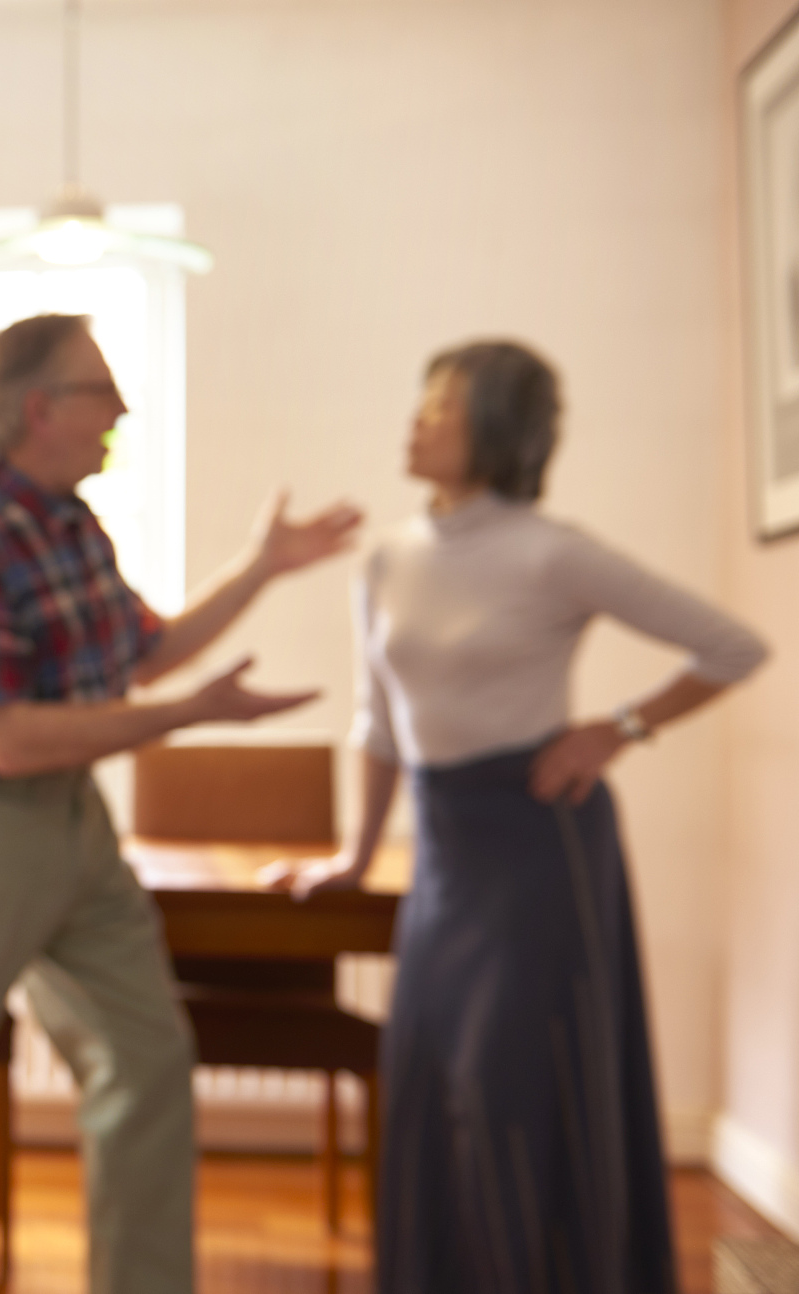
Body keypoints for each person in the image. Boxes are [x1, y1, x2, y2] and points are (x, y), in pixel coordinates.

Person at [0, 312, 363, 1293]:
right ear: (38, 408)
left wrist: (260, 567)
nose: (121, 409)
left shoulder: (69, 524)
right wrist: (192, 715)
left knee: (143, 1059)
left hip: (71, 825)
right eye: (101, 390)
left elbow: (143, 653)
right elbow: (4, 738)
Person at [266, 340, 768, 1293]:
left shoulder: (552, 552)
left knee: (520, 1091)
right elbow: (378, 729)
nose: (416, 421)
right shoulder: (385, 562)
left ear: (496, 427)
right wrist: (355, 856)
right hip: (444, 856)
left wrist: (617, 729)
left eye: (441, 407)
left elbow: (732, 644)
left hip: (542, 853)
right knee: (435, 1088)